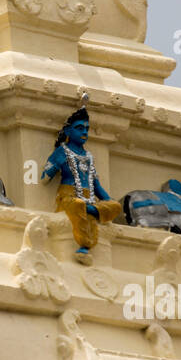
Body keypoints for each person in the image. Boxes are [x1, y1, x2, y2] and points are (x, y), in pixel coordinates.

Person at [43, 101, 122, 263]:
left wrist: (108, 201)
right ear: (68, 131)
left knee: (116, 206)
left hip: (90, 198)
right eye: (80, 128)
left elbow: (96, 186)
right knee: (78, 205)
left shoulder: (88, 157)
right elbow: (44, 178)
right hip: (69, 196)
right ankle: (84, 246)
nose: (84, 132)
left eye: (86, 129)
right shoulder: (62, 151)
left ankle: (92, 210)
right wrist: (54, 165)